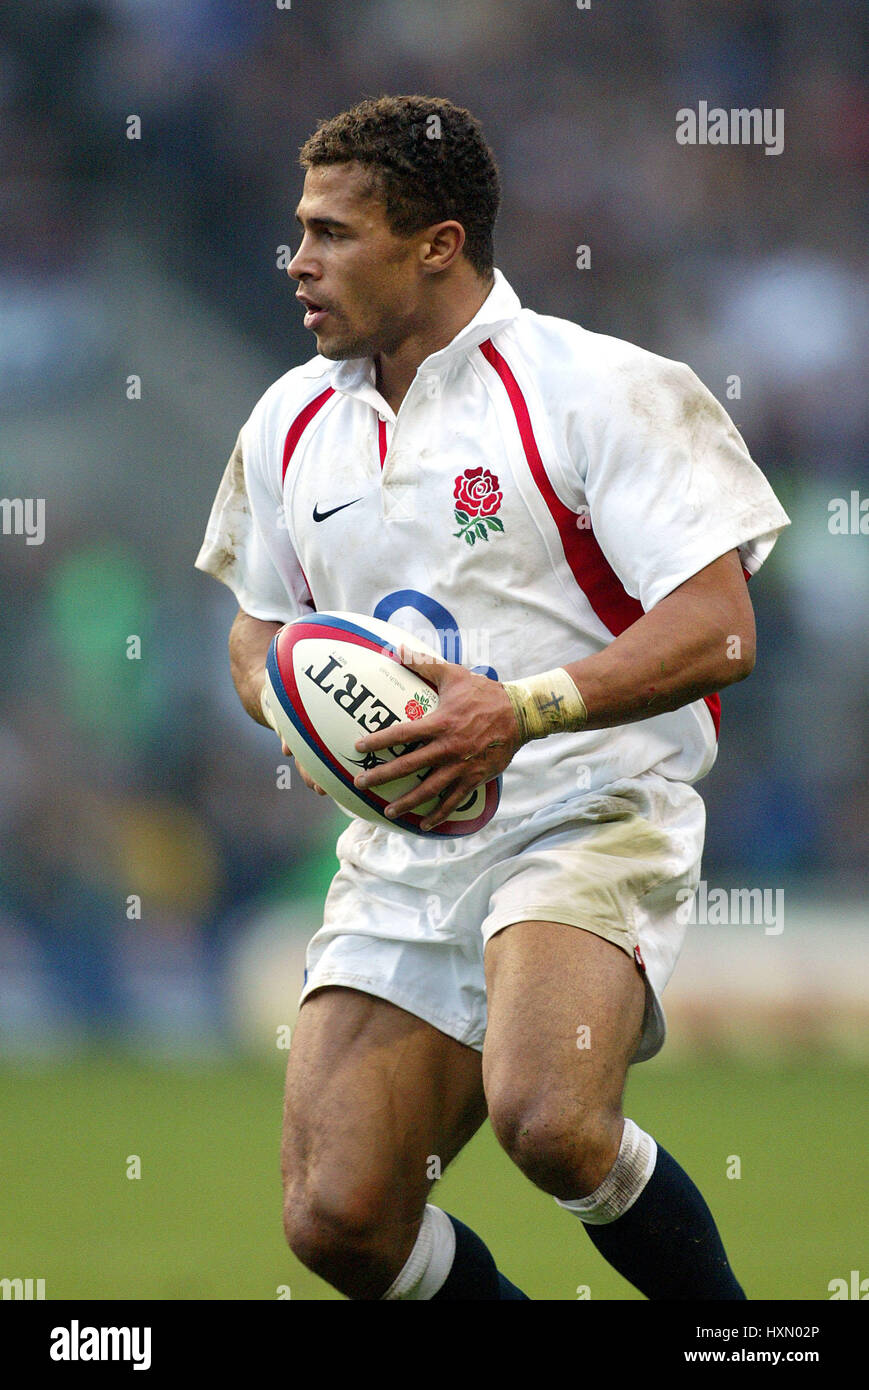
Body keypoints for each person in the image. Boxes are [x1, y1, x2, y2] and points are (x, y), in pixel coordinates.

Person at [196, 94, 790, 1300]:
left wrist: (510, 713)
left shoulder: (600, 388)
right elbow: (258, 629)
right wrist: (301, 707)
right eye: (296, 232)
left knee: (549, 1118)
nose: (296, 263)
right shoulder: (285, 421)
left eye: (330, 234)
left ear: (437, 244)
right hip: (406, 846)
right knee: (338, 1218)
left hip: (587, 810)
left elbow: (718, 628)